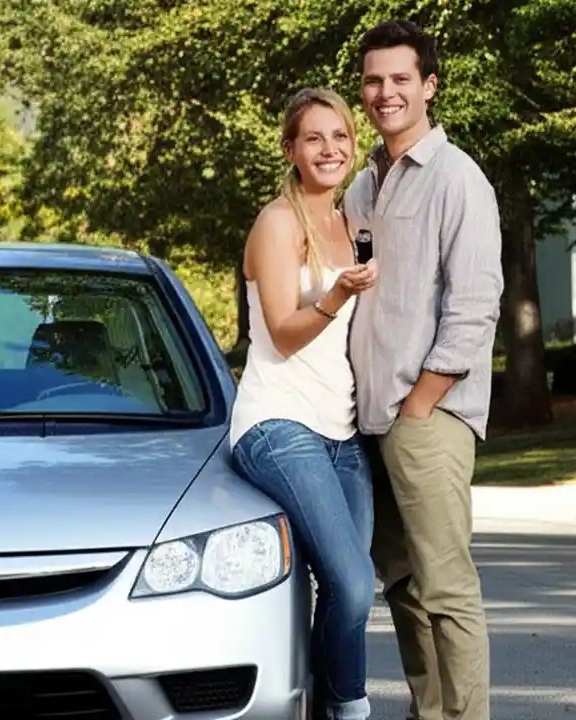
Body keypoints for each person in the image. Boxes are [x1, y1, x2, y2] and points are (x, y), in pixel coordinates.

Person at [342, 19, 504, 720]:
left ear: (429, 85)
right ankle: (429, 712)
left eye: (401, 79)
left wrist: (421, 402)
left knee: (446, 587)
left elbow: (474, 305)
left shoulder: (456, 178)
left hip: (426, 416)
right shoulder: (360, 187)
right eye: (374, 81)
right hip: (368, 421)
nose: (386, 93)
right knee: (404, 586)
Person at [228, 86, 379, 720]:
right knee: (352, 582)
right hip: (276, 422)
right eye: (314, 138)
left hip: (342, 431)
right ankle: (351, 708)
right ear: (291, 149)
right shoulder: (278, 221)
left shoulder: (350, 223)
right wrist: (337, 295)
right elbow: (284, 333)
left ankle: (322, 705)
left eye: (340, 136)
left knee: (347, 590)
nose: (329, 148)